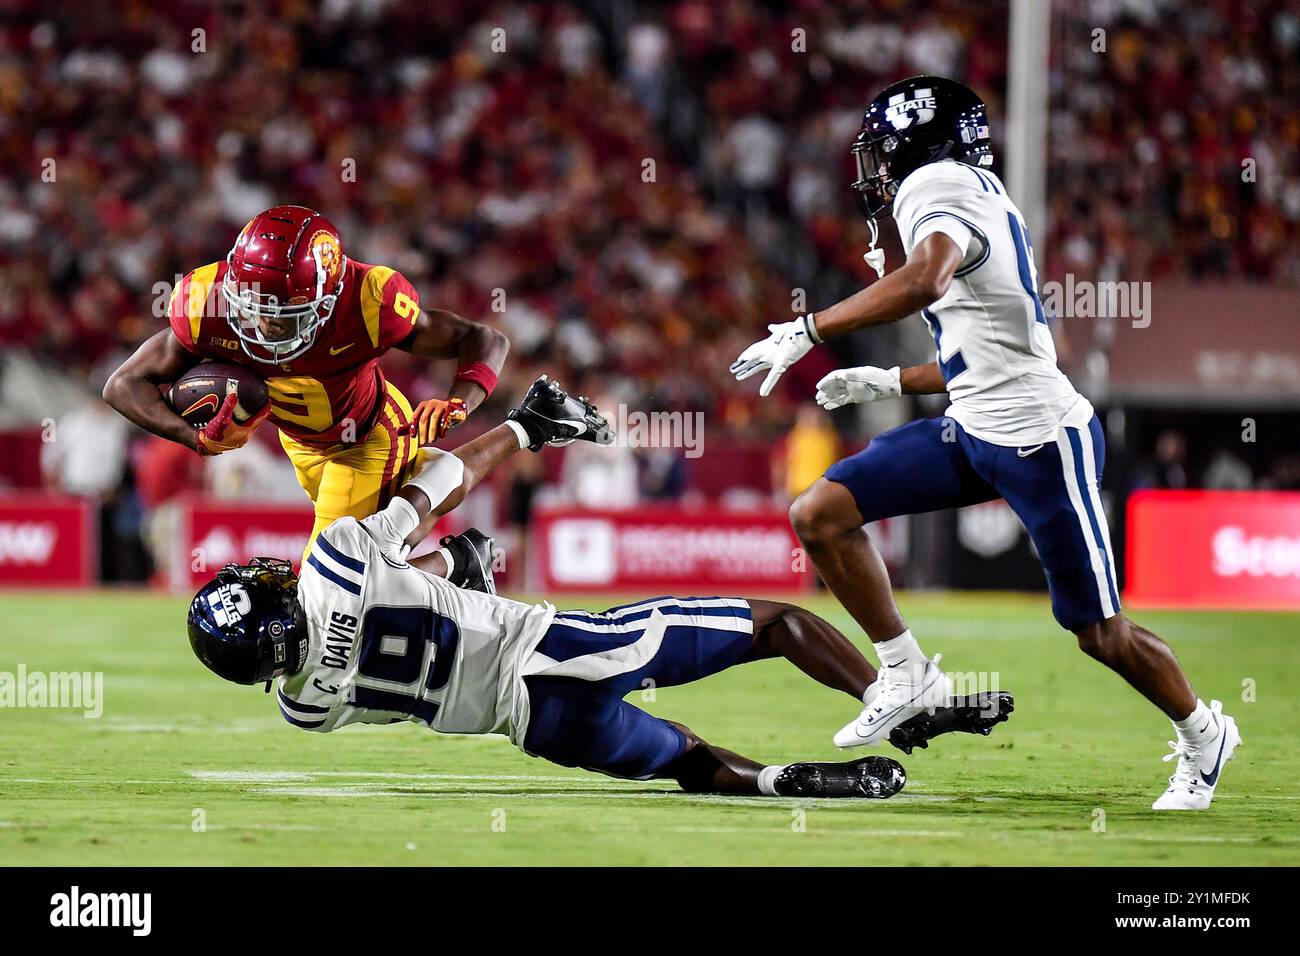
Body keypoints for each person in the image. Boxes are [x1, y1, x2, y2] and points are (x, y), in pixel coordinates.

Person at [730, 76, 1238, 811]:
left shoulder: (934, 184)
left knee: (1101, 634)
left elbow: (925, 281)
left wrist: (811, 328)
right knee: (821, 513)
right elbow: (985, 352)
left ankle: (1203, 733)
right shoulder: (972, 190)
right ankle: (907, 672)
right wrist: (886, 381)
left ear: (918, 146)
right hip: (972, 427)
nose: (876, 169)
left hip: (1039, 439)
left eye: (883, 151)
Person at [186, 377, 1011, 799]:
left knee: (684, 758)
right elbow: (435, 487)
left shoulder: (305, 708)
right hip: (560, 650)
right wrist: (521, 429)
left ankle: (774, 782)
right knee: (777, 623)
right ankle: (896, 696)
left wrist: (444, 576)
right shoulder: (336, 559)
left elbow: (374, 635)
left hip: (534, 726)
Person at [102, 205, 510, 553]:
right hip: (300, 443)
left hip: (367, 439)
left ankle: (461, 484)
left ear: (327, 298)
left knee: (328, 578)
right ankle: (454, 547)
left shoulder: (369, 301)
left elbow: (483, 338)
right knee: (371, 570)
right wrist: (195, 438)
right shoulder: (204, 301)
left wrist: (459, 401)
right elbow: (122, 384)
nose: (264, 325)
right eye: (252, 309)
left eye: (283, 315)